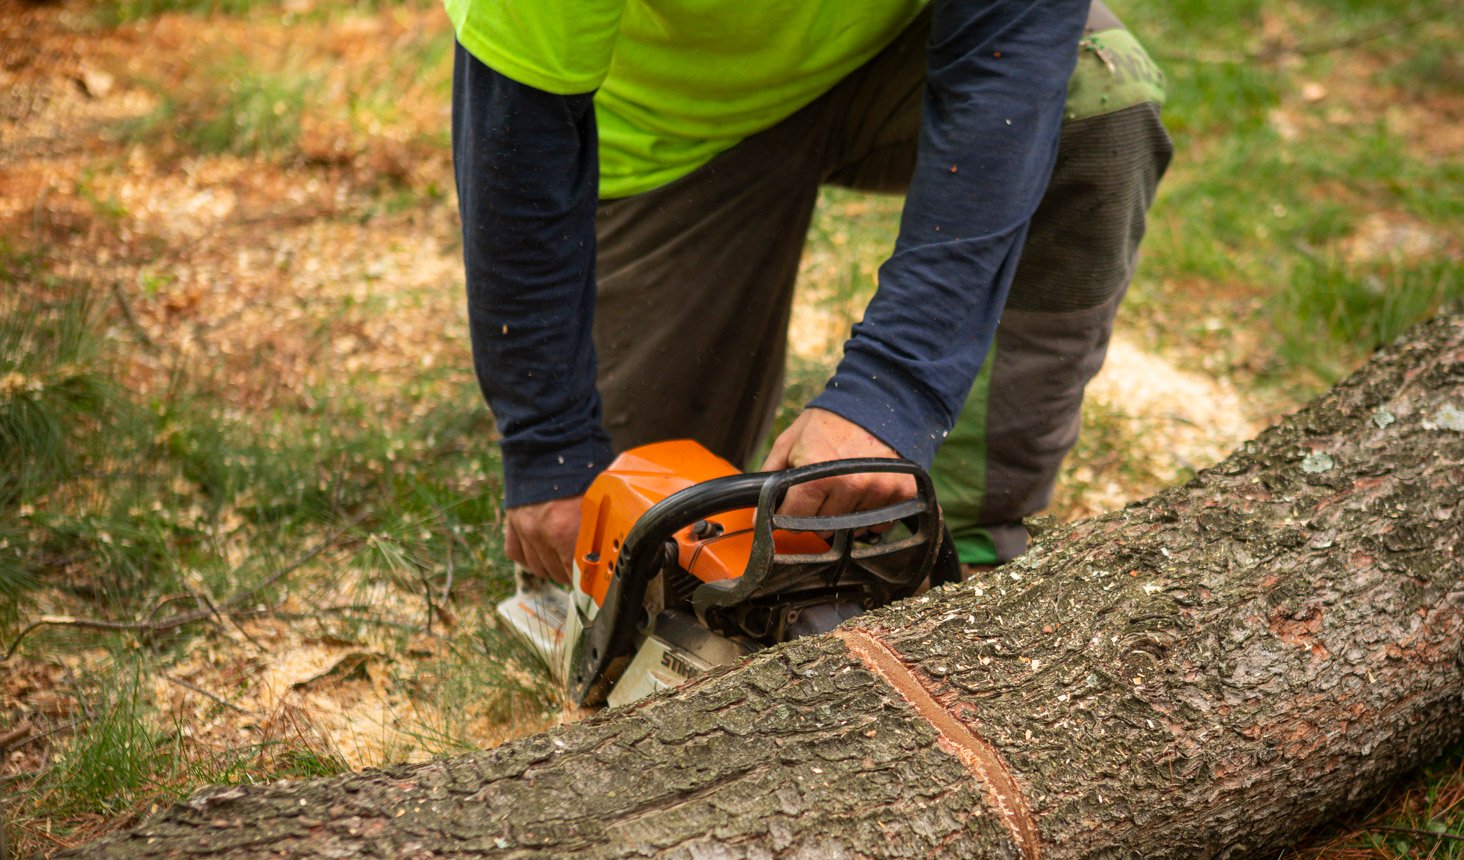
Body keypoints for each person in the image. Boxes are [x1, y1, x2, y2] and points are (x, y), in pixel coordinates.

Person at [449, 0, 1172, 585]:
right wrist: (552, 444)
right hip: (658, 126)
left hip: (892, 53)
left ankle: (956, 552)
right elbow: (517, 127)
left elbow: (1007, 84)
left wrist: (892, 392)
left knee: (1099, 98)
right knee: (633, 553)